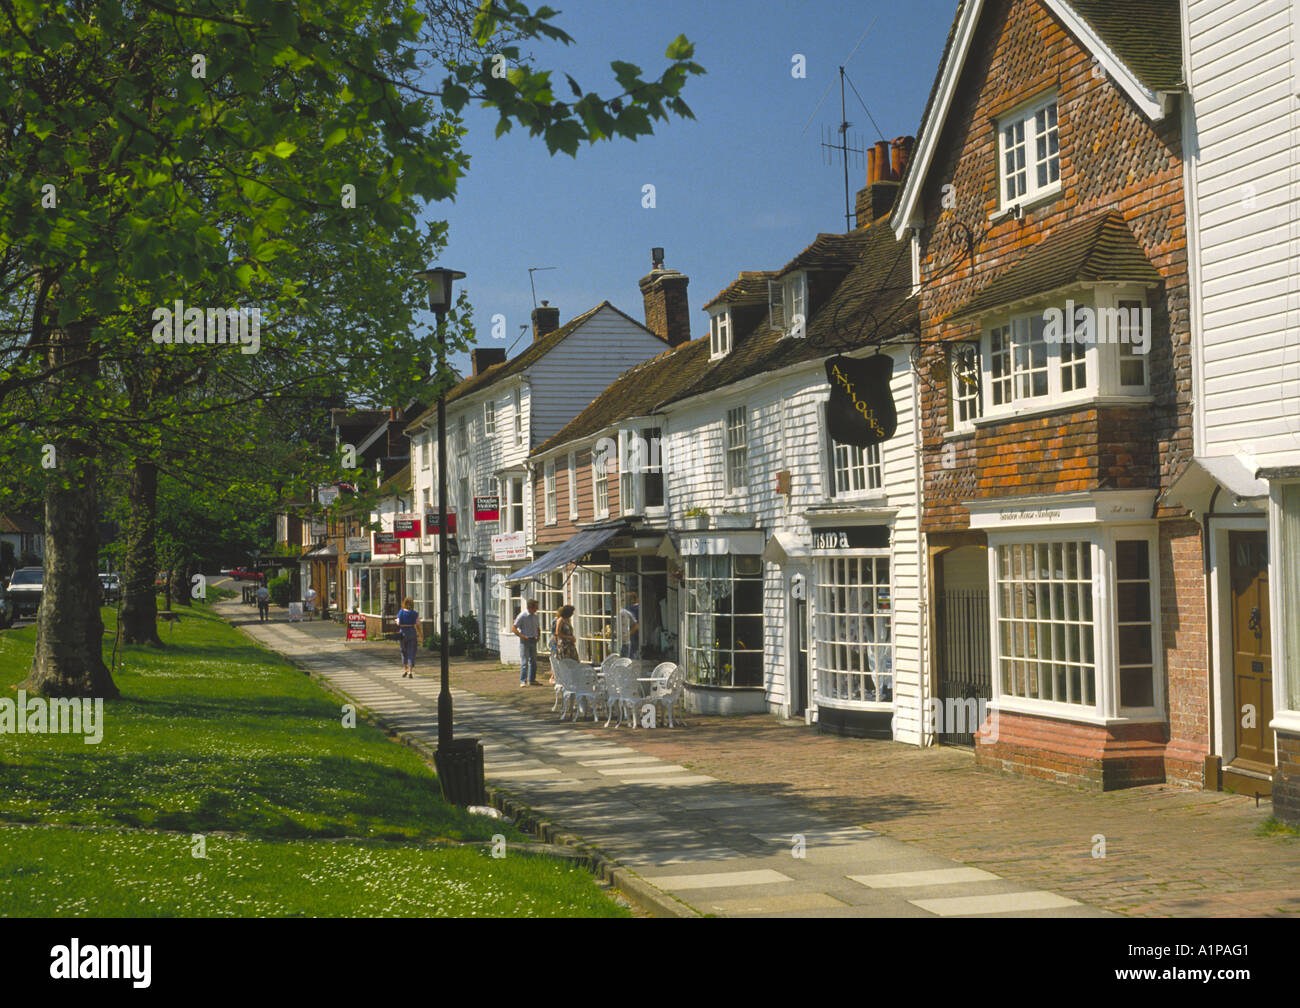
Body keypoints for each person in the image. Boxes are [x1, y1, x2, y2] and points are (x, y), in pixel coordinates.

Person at [512, 598, 540, 687]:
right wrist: (522, 636)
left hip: (533, 639)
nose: (537, 609)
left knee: (534, 661)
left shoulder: (535, 616)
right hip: (525, 640)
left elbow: (537, 627)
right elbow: (514, 628)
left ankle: (532, 680)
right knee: (525, 661)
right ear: (530, 608)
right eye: (535, 607)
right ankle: (523, 680)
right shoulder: (522, 616)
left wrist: (538, 635)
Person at [396, 596, 422, 678]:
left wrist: (396, 621)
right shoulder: (414, 613)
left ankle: (405, 670)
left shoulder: (401, 612)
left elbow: (398, 623)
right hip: (411, 632)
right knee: (411, 652)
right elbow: (418, 624)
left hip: (403, 632)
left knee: (403, 651)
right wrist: (421, 634)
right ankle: (410, 671)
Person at [618, 591, 640, 659]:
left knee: (629, 656)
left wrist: (628, 634)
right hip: (627, 637)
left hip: (631, 637)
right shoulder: (628, 608)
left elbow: (636, 625)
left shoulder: (633, 609)